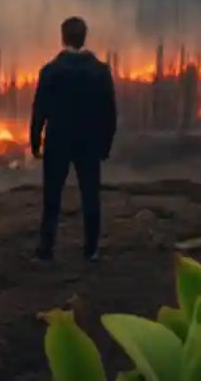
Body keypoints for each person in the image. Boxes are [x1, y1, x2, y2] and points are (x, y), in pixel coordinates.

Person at [30, 16, 117, 261]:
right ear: (84, 37)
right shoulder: (100, 71)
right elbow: (109, 112)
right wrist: (106, 143)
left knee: (52, 196)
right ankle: (91, 248)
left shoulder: (50, 71)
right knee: (90, 195)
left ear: (63, 37)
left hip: (58, 141)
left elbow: (40, 110)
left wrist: (35, 142)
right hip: (89, 142)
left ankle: (46, 248)